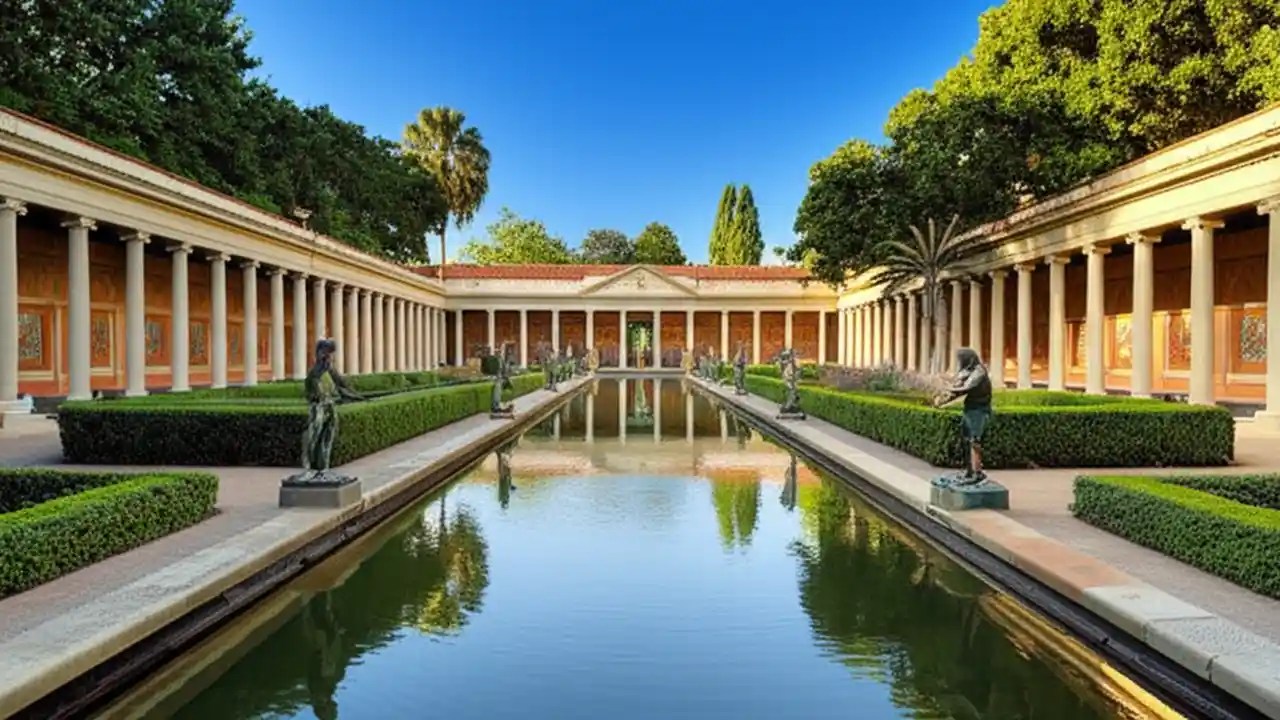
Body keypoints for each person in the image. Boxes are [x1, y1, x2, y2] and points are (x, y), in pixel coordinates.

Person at [933, 347, 993, 483]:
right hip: (969, 409)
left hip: (979, 410)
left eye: (961, 359)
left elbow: (966, 388)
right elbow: (957, 388)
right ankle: (969, 471)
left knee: (974, 440)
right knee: (966, 440)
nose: (960, 362)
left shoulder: (979, 371)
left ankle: (977, 473)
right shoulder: (967, 371)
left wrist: (947, 388)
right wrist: (942, 400)